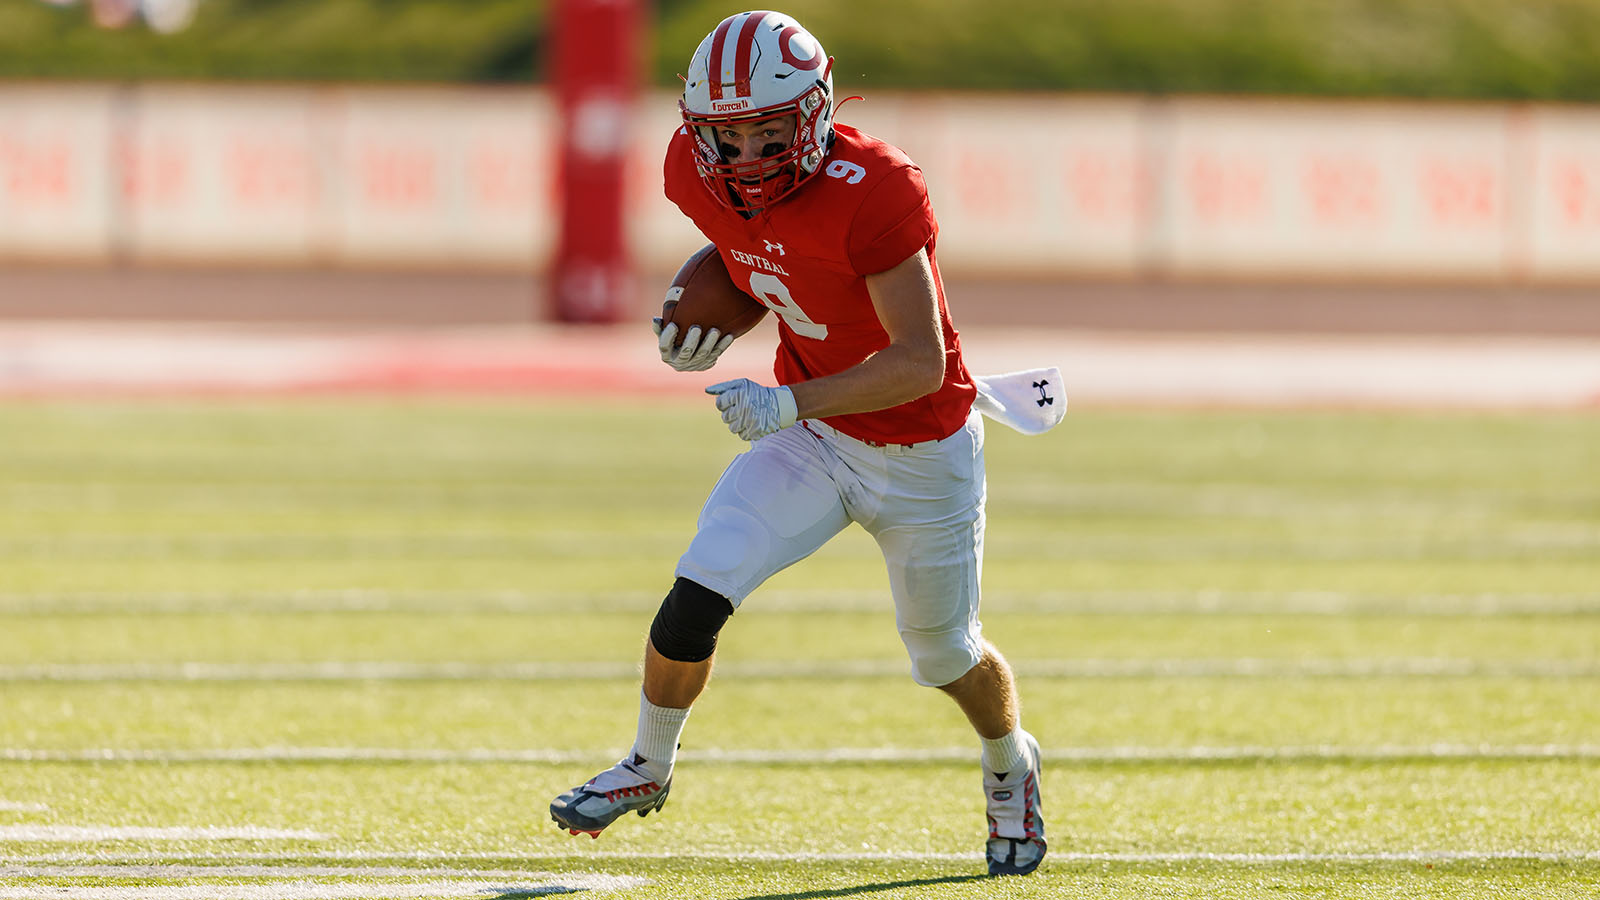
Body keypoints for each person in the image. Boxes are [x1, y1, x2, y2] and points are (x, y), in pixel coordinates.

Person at [549, 9, 1062, 877]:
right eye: (728, 136)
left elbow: (920, 363)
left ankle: (1011, 762)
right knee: (697, 591)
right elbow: (759, 253)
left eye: (766, 132)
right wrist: (716, 318)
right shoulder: (693, 173)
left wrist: (785, 401)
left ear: (816, 112)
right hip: (821, 439)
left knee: (945, 654)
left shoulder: (877, 187)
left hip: (921, 448)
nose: (745, 158)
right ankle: (647, 766)